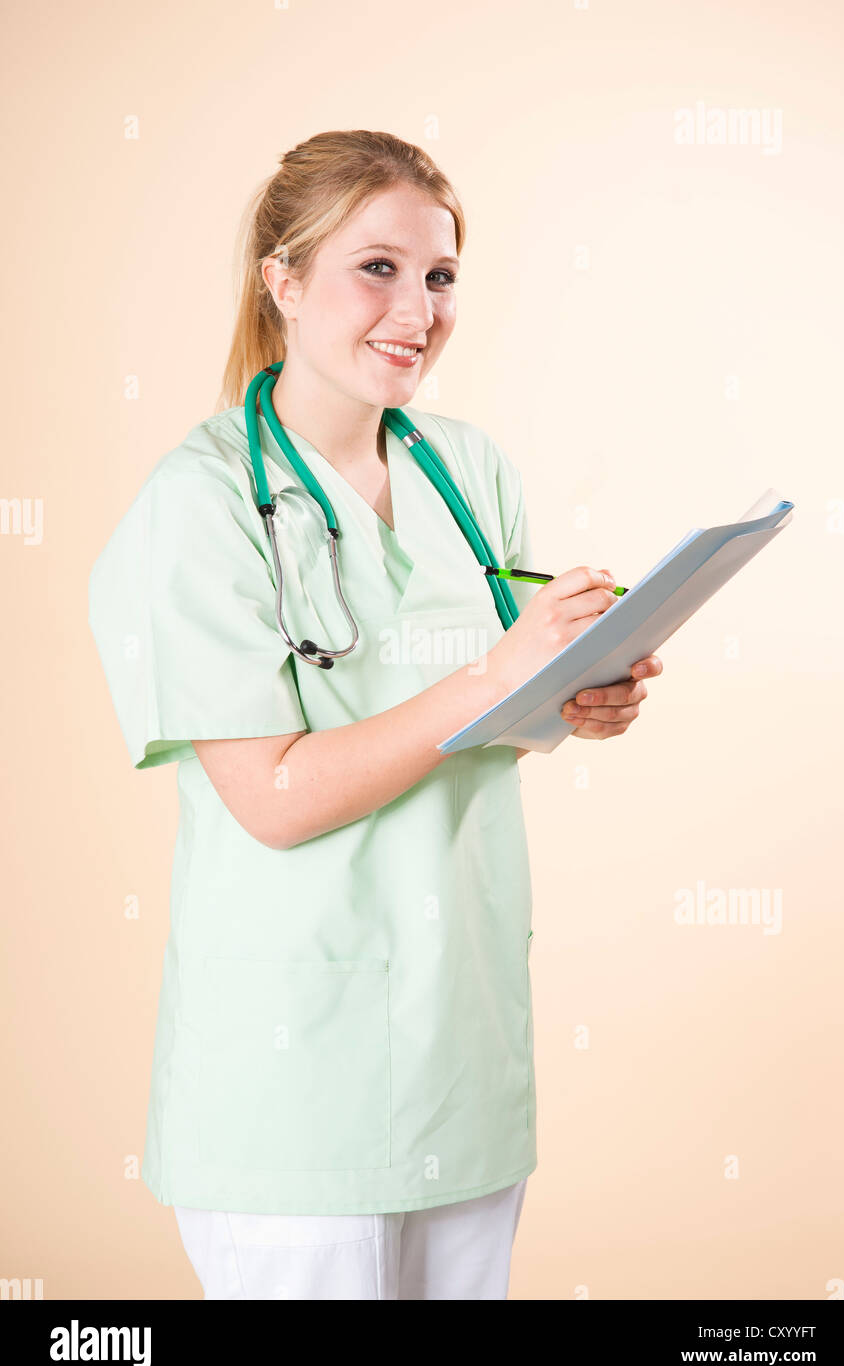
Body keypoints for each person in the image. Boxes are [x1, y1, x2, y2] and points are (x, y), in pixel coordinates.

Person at [88, 129, 663, 1301]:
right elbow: (273, 800)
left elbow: (492, 714)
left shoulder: (469, 470)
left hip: (462, 1048)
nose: (418, 307)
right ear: (283, 282)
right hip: (292, 1077)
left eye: (440, 275)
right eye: (377, 268)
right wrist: (498, 676)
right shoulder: (197, 505)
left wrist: (574, 694)